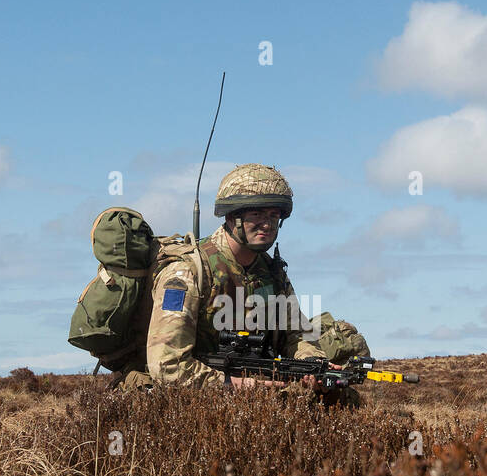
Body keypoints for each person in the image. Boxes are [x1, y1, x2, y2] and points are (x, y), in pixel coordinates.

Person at [141, 163, 362, 405]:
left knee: (342, 392)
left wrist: (311, 364)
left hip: (257, 392)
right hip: (195, 395)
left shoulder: (272, 273)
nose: (267, 224)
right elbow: (167, 365)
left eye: (273, 215)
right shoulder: (188, 272)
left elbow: (296, 334)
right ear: (232, 216)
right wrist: (238, 386)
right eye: (256, 215)